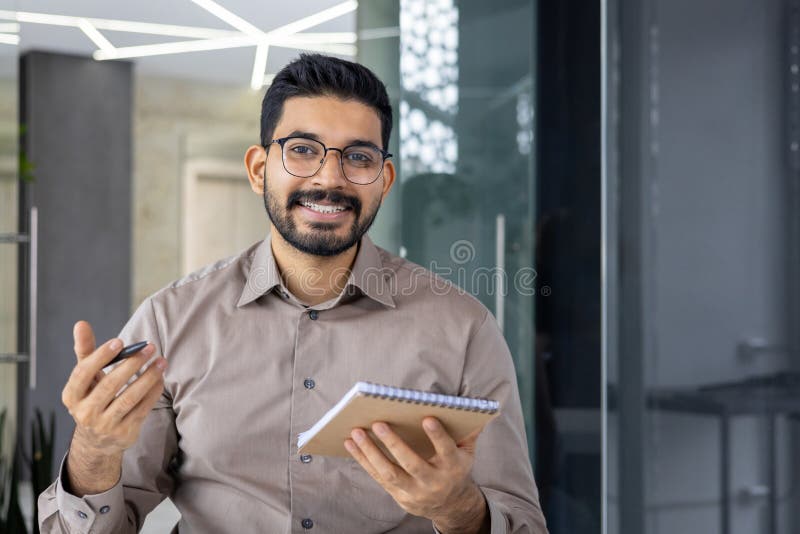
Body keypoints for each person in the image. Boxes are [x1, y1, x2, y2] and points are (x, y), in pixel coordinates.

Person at [38, 54, 548, 534]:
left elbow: (523, 522)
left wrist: (456, 509)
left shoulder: (463, 329)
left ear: (384, 179)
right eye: (302, 150)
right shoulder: (171, 320)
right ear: (260, 168)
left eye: (358, 157)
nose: (330, 178)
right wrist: (95, 451)